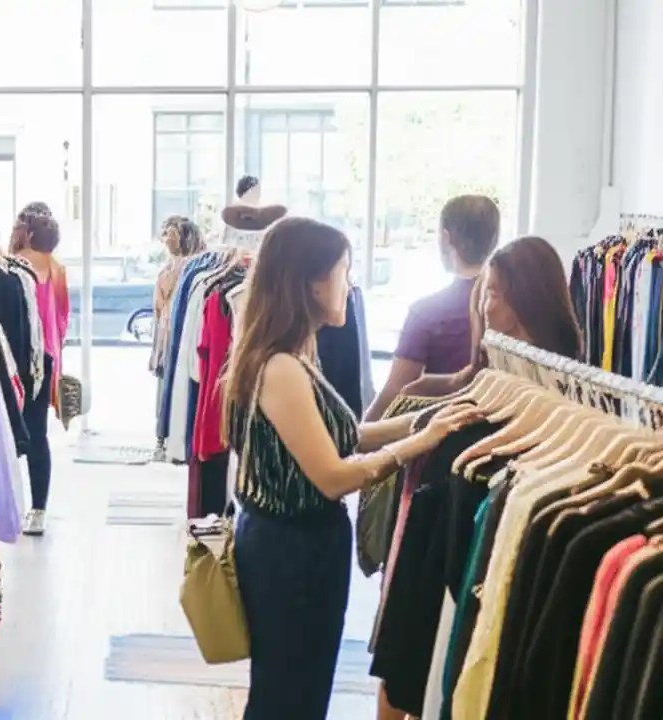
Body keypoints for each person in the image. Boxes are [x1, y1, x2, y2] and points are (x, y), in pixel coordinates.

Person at [220, 217, 484, 720]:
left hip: (291, 545)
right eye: (344, 270)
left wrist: (424, 422)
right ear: (312, 282)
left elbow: (344, 436)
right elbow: (335, 475)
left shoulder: (289, 354)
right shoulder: (281, 367)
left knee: (293, 684)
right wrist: (417, 443)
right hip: (292, 552)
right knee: (290, 691)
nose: (349, 282)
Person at [365, 195, 500, 421]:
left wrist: (358, 435)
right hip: (504, 430)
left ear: (446, 238)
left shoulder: (427, 314)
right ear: (494, 240)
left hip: (442, 436)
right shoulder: (514, 307)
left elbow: (394, 393)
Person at [403, 235, 581, 398]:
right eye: (487, 295)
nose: (486, 309)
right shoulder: (483, 377)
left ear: (524, 300)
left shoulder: (560, 392)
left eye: (493, 295)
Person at [10, 205, 70, 536]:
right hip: (45, 359)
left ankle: (6, 505)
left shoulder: (16, 266)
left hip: (15, 355)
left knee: (3, 431)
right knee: (38, 435)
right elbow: (62, 321)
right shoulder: (58, 271)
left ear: (28, 234)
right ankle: (38, 509)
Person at [150, 215, 205, 375]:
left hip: (178, 334)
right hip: (168, 333)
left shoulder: (183, 268)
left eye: (171, 234)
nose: (166, 239)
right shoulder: (172, 267)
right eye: (165, 234)